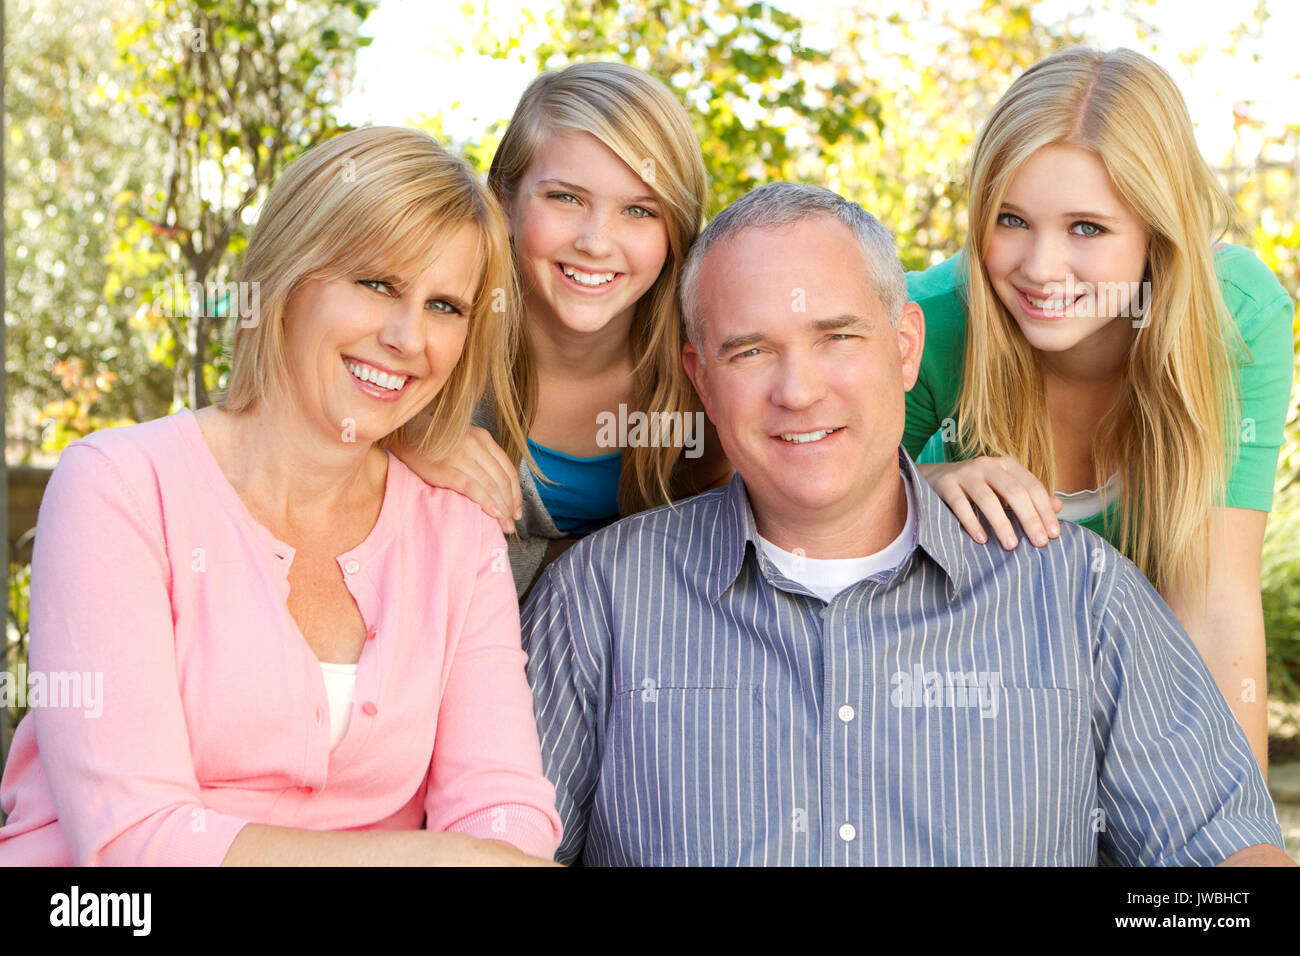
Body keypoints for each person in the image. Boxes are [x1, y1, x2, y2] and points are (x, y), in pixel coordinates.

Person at [521, 182, 1291, 866]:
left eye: (838, 337)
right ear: (701, 380)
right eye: (752, 350)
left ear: (905, 349)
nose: (800, 390)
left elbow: (1223, 857)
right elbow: (501, 847)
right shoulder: (601, 599)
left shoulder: (1079, 596)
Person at [0, 127, 561, 866]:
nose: (406, 336)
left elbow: (501, 805)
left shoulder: (456, 528)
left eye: (445, 307)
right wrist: (457, 862)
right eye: (377, 284)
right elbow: (131, 839)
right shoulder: (120, 487)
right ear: (288, 282)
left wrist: (490, 852)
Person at [903, 48, 1295, 772]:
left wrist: (1242, 836)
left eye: (1087, 227)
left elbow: (1214, 609)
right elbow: (797, 524)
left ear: (1157, 228)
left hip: (1126, 710)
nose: (1040, 267)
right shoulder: (929, 323)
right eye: (1011, 219)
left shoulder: (1234, 319)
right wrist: (910, 493)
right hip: (944, 708)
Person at [395, 62, 729, 598]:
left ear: (676, 230)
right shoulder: (444, 328)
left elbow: (711, 549)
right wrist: (402, 434)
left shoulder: (707, 368)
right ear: (503, 201)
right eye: (566, 198)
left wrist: (573, 559)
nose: (597, 242)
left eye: (639, 210)